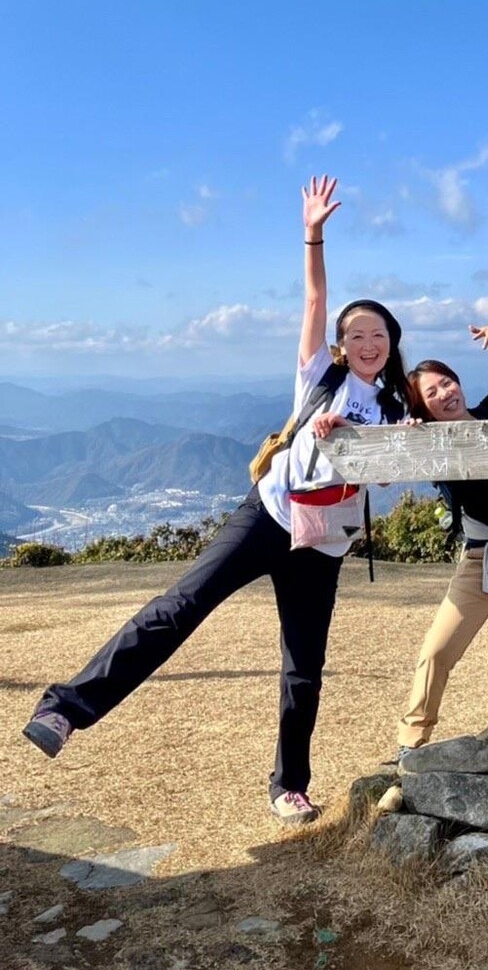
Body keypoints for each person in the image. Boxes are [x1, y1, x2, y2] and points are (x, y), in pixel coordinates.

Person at [23, 175, 409, 825]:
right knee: (180, 607)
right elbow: (314, 297)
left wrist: (364, 439)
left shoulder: (395, 406)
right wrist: (313, 233)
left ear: (393, 342)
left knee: (303, 668)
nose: (370, 343)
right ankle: (65, 708)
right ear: (342, 344)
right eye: (358, 334)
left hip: (323, 540)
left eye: (381, 334)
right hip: (268, 515)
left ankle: (289, 785)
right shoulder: (320, 373)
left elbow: (396, 471)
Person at [397, 324, 488, 760]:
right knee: (437, 650)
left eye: (447, 381)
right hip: (481, 556)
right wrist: (409, 434)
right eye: (432, 393)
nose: (445, 392)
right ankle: (411, 741)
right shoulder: (435, 447)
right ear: (423, 410)